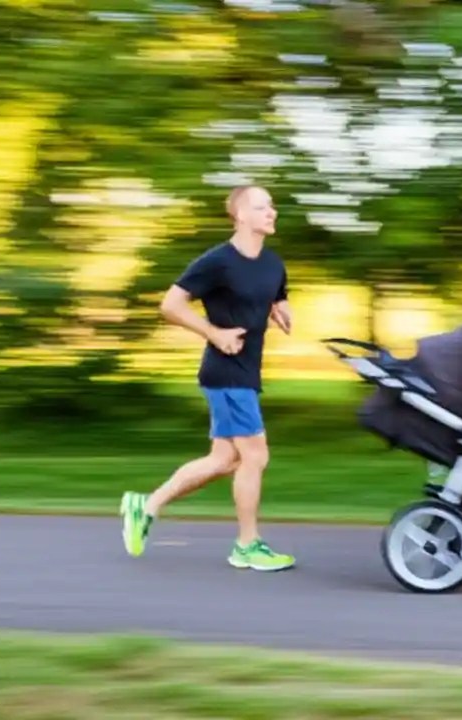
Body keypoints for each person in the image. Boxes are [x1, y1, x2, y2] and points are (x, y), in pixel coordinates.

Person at [120, 184, 296, 572]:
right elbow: (170, 304)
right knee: (255, 455)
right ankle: (247, 545)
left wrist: (281, 309)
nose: (272, 212)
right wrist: (213, 333)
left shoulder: (272, 264)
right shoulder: (217, 261)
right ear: (240, 216)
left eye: (272, 206)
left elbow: (276, 293)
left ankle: (145, 505)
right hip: (224, 371)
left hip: (248, 371)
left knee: (223, 459)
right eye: (261, 206)